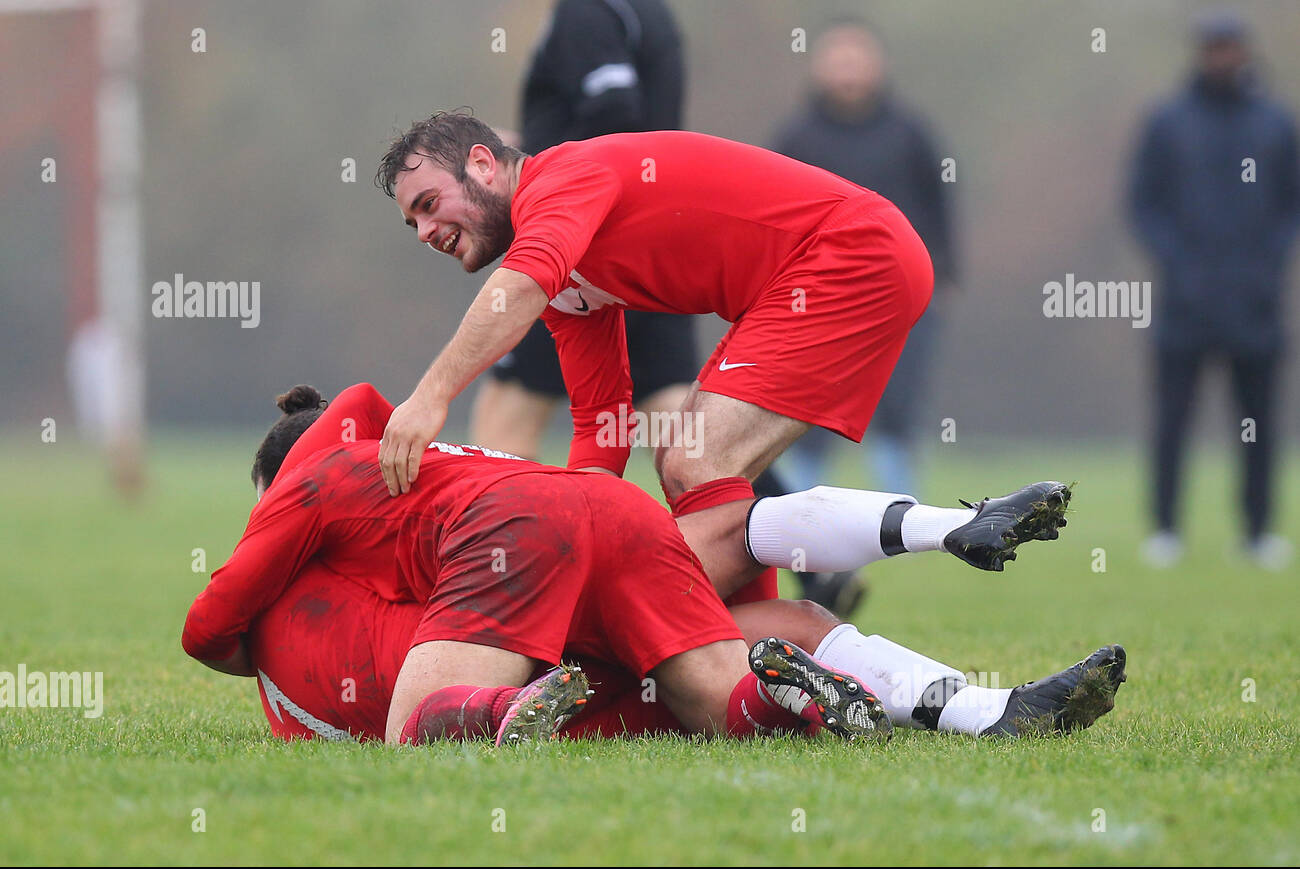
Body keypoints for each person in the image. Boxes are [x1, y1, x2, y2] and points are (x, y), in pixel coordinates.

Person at [373, 113, 1071, 611]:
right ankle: (760, 652)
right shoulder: (565, 283)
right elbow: (601, 426)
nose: (427, 231)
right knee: (695, 473)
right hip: (826, 268)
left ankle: (938, 532)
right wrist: (573, 533)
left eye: (430, 204)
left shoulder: (561, 180)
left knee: (692, 462)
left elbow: (519, 285)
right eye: (413, 224)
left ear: (486, 166)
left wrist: (429, 397)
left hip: (848, 254)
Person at [185, 384, 1128, 745]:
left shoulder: (316, 499)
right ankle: (967, 682)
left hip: (533, 553)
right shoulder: (405, 464)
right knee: (768, 630)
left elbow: (209, 625)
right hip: (607, 499)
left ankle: (508, 708)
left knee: (419, 726)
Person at [471, 0, 700, 465]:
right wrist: (526, 147)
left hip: (587, 244)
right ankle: (779, 525)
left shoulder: (587, 9)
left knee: (503, 420)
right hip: (654, 241)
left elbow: (614, 108)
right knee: (686, 432)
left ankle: (497, 539)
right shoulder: (646, 11)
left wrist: (535, 167)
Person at [1129, 10, 1298, 570]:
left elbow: (1290, 205)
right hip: (1186, 301)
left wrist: (1267, 262)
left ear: (1244, 52)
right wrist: (1179, 261)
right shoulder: (1169, 122)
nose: (1222, 57)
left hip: (1255, 302)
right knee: (1173, 419)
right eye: (1213, 48)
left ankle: (1257, 531)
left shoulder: (1275, 124)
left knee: (1257, 422)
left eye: (1230, 48)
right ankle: (1166, 528)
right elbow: (1143, 205)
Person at [769, 18, 955, 498]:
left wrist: (943, 273)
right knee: (806, 412)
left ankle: (904, 516)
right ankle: (793, 516)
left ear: (878, 64)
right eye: (838, 57)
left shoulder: (911, 134)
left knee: (896, 411)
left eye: (858, 57)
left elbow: (939, 207)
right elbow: (772, 216)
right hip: (817, 296)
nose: (848, 69)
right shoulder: (797, 138)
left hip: (902, 297)